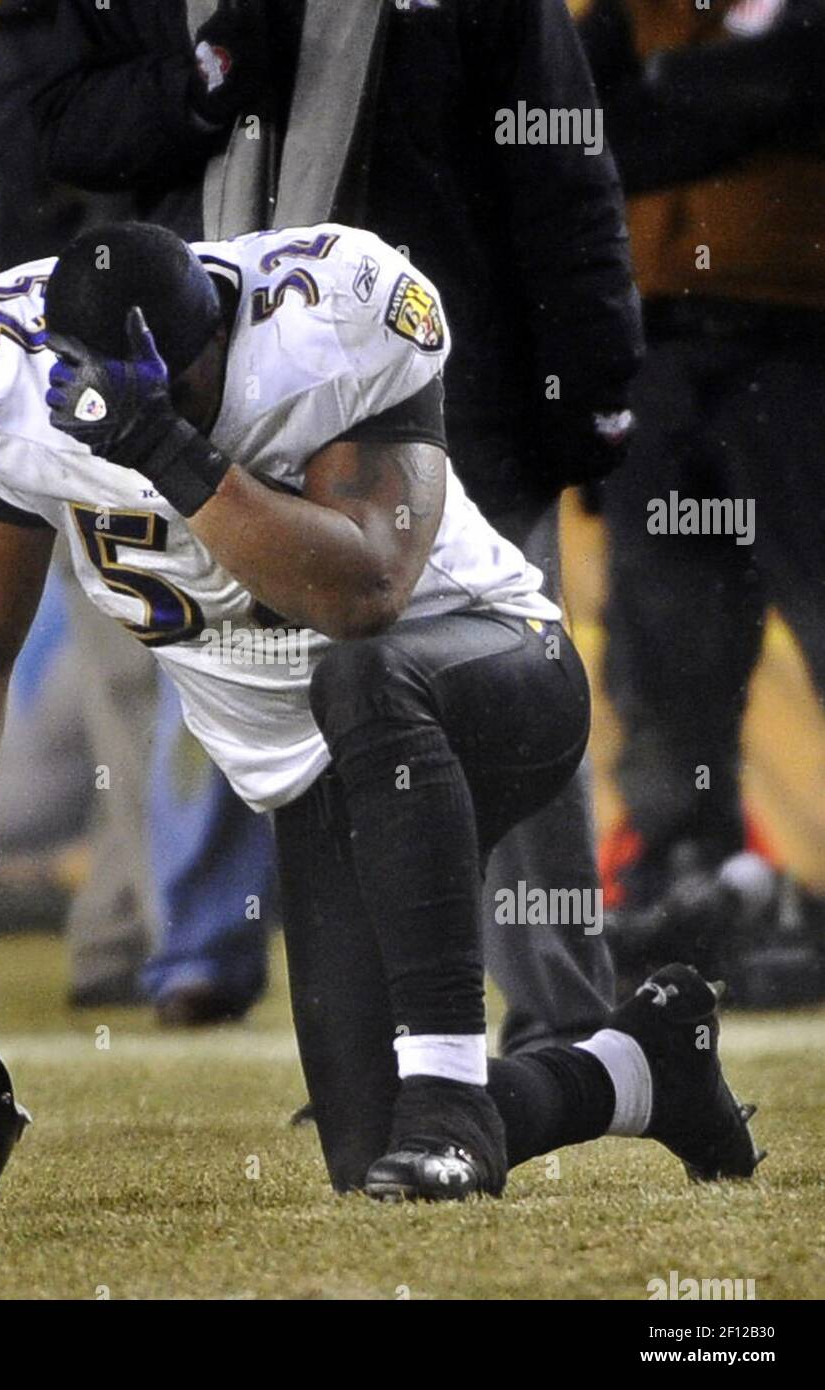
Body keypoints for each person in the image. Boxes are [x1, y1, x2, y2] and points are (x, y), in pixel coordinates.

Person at [0, 221, 757, 1197]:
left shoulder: (333, 316)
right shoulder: (6, 377)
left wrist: (162, 444)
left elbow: (365, 595)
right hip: (321, 764)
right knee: (371, 1148)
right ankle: (651, 1062)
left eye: (185, 388)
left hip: (490, 672)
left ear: (218, 344)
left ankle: (452, 1104)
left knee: (363, 675)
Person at [31, 0, 645, 1054]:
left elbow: (559, 162)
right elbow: (65, 126)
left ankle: (567, 1020)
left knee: (499, 678)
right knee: (299, 726)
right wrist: (198, 85)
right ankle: (366, 1042)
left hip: (451, 393)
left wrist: (589, 370)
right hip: (233, 406)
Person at [0, 0, 276, 1020]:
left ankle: (144, 931)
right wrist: (195, 85)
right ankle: (166, 935)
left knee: (144, 666)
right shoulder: (53, 37)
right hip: (109, 360)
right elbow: (99, 148)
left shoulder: (28, 37)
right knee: (162, 660)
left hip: (93, 362)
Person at [577, 0, 825, 1001]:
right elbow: (582, 129)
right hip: (661, 354)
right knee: (666, 641)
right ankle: (689, 892)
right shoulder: (641, 11)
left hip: (805, 349)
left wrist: (674, 105)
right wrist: (759, 96)